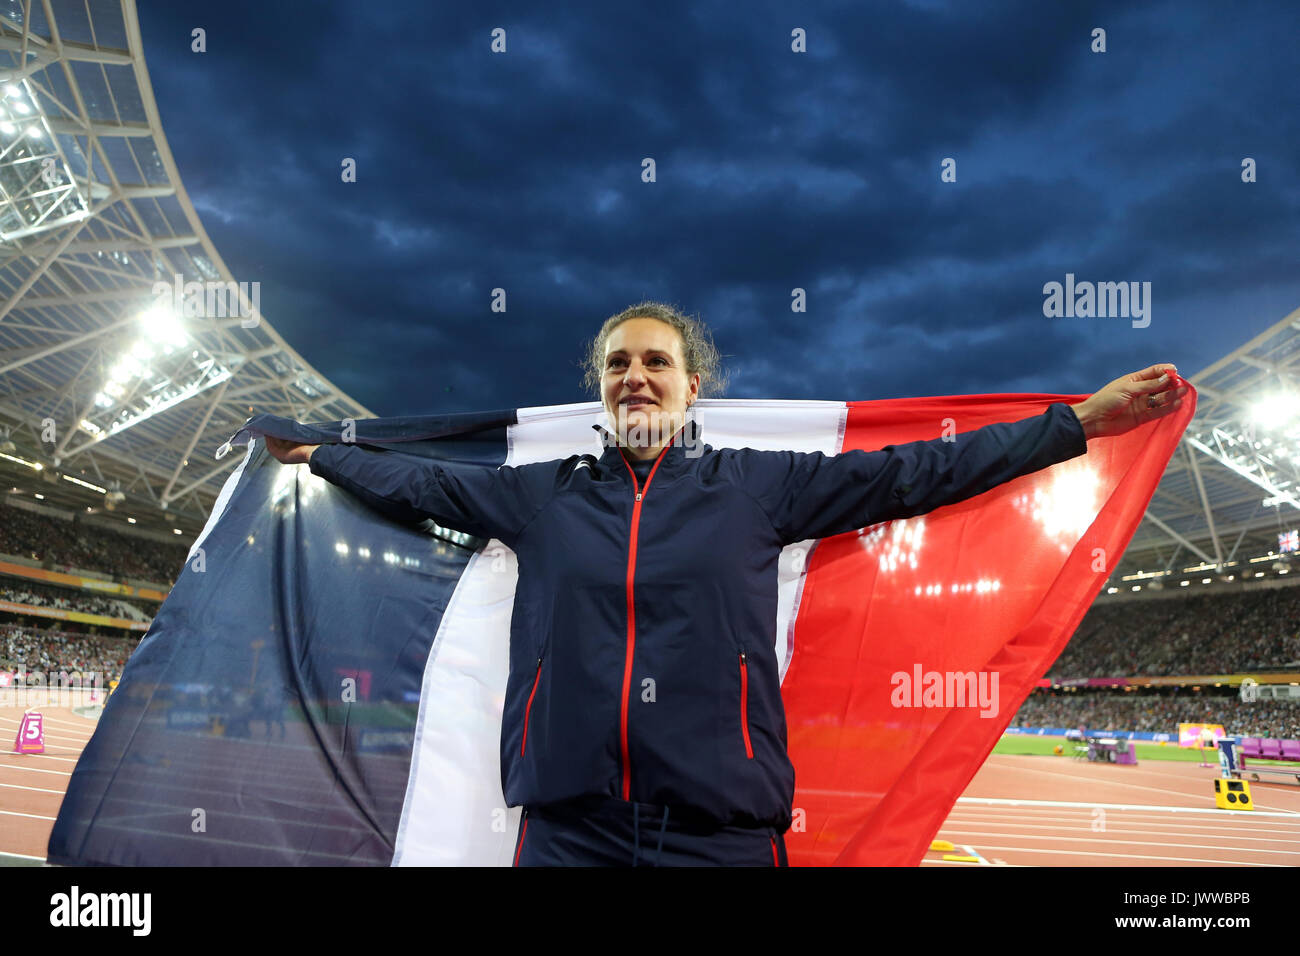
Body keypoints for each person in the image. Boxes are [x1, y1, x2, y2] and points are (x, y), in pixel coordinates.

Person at [264, 300, 1188, 866]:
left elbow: (920, 471)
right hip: (567, 833)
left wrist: (1077, 423)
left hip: (721, 838)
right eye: (619, 363)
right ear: (601, 389)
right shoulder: (541, 500)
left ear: (690, 387)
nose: (635, 377)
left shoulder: (757, 486)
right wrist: (322, 455)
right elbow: (423, 481)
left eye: (655, 361)